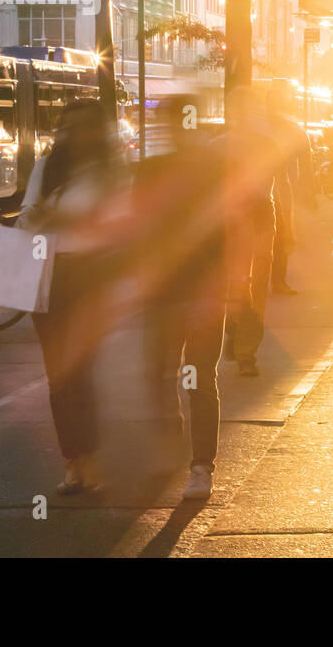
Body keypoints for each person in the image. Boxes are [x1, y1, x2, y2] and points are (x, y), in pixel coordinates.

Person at [19, 100, 124, 496]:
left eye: (83, 127)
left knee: (82, 370)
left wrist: (59, 219)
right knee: (59, 376)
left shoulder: (108, 173)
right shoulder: (48, 168)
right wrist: (64, 219)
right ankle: (72, 460)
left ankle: (90, 456)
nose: (73, 134)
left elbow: (113, 224)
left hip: (90, 276)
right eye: (68, 126)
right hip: (48, 274)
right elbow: (28, 215)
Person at [132, 95, 227, 501]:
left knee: (178, 374)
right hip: (182, 289)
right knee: (194, 377)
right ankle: (197, 464)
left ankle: (194, 459)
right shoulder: (214, 170)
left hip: (184, 289)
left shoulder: (157, 171)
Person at [221, 86, 279, 378]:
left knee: (256, 287)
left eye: (248, 108)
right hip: (232, 220)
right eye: (238, 108)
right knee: (236, 285)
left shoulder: (266, 144)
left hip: (259, 218)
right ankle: (234, 323)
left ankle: (246, 352)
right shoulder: (218, 146)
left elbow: (277, 187)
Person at [263, 81, 317, 295]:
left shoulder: (265, 127)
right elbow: (306, 165)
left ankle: (271, 280)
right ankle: (276, 281)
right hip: (277, 188)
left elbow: (306, 164)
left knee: (278, 235)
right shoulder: (294, 130)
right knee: (280, 234)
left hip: (273, 188)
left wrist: (308, 189)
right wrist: (309, 190)